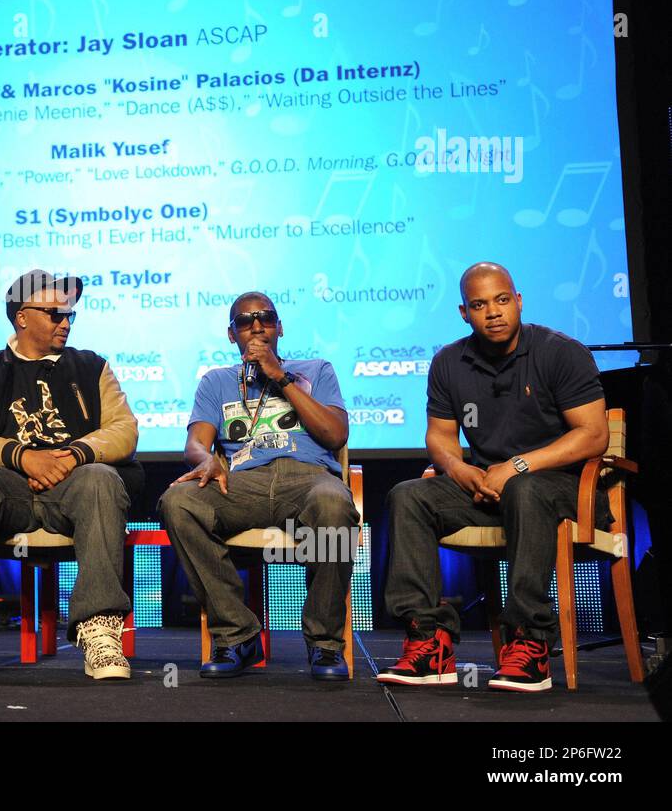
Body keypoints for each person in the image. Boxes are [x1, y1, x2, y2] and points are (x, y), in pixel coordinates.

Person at [378, 263, 609, 692]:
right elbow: (441, 437)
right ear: (465, 313)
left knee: (525, 487)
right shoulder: (450, 362)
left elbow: (594, 435)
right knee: (408, 496)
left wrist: (518, 465)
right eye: (480, 305)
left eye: (502, 300)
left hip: (565, 489)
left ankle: (530, 641)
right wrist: (457, 467)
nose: (494, 313)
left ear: (518, 301)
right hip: (491, 491)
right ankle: (429, 642)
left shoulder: (560, 352)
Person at [0, 269, 142, 680]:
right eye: (54, 314)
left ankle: (100, 631)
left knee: (100, 478)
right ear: (22, 317)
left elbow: (124, 429)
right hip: (11, 494)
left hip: (72, 487)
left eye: (69, 316)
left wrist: (73, 455)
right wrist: (22, 457)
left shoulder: (91, 366)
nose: (65, 322)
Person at [158, 292, 357, 680]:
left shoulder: (316, 370)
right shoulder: (216, 381)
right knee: (178, 502)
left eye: (265, 318)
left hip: (309, 477)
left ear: (279, 327)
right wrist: (207, 460)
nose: (256, 326)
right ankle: (237, 635)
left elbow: (334, 434)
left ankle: (325, 643)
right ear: (231, 335)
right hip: (242, 482)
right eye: (245, 321)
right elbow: (195, 444)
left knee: (334, 504)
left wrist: (279, 376)